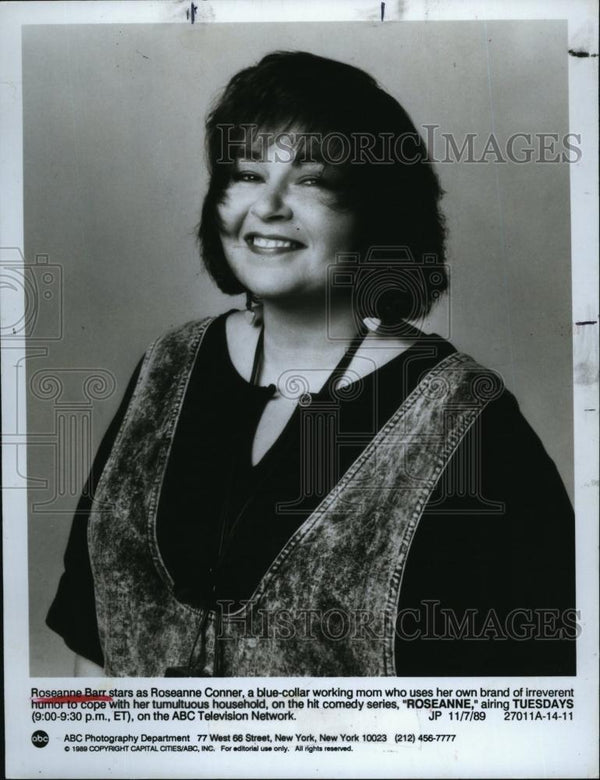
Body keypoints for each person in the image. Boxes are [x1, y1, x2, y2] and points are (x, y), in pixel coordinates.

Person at [47, 51, 576, 677]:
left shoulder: (469, 424)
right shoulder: (167, 368)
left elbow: (526, 715)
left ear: (377, 212)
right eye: (245, 174)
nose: (267, 207)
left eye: (312, 179)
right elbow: (94, 642)